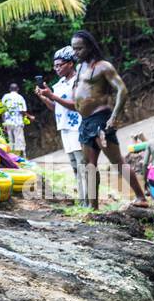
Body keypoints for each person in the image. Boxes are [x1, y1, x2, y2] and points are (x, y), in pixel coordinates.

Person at [36, 29, 146, 207]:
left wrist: (114, 116)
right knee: (89, 165)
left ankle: (141, 197)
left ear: (89, 47)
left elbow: (122, 90)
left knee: (117, 161)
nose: (76, 52)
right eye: (74, 49)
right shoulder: (79, 68)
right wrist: (50, 97)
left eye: (79, 49)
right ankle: (92, 207)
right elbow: (75, 101)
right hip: (85, 122)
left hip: (101, 119)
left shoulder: (103, 67)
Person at [36, 48, 83, 197]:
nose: (56, 69)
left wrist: (52, 96)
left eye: (60, 65)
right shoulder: (60, 84)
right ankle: (83, 200)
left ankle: (89, 200)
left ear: (70, 64)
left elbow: (76, 105)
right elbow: (56, 107)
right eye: (55, 66)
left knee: (82, 165)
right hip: (64, 127)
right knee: (74, 165)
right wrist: (45, 98)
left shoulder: (78, 81)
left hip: (78, 127)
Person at [1, 83, 27, 154]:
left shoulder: (5, 97)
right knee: (19, 140)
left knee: (11, 141)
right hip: (18, 122)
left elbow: (2, 111)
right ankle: (22, 158)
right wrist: (29, 116)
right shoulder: (20, 97)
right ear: (18, 89)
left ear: (9, 89)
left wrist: (4, 123)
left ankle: (13, 158)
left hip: (8, 122)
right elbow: (23, 111)